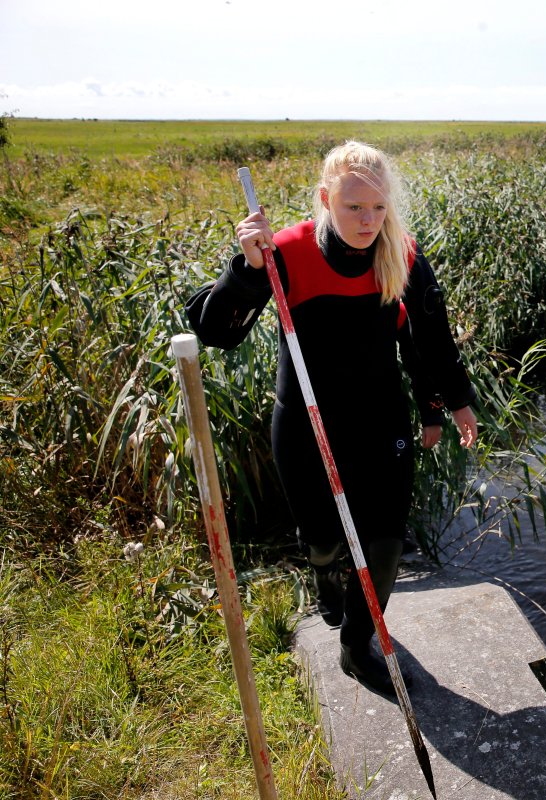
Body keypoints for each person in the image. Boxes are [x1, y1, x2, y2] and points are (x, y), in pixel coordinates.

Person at [185, 141, 477, 697]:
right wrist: (248, 269)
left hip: (380, 424)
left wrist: (452, 401)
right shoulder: (287, 251)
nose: (368, 221)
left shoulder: (404, 256)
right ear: (325, 200)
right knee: (322, 540)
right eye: (353, 208)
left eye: (379, 208)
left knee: (386, 544)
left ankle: (356, 647)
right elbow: (216, 330)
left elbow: (431, 342)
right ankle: (324, 572)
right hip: (304, 426)